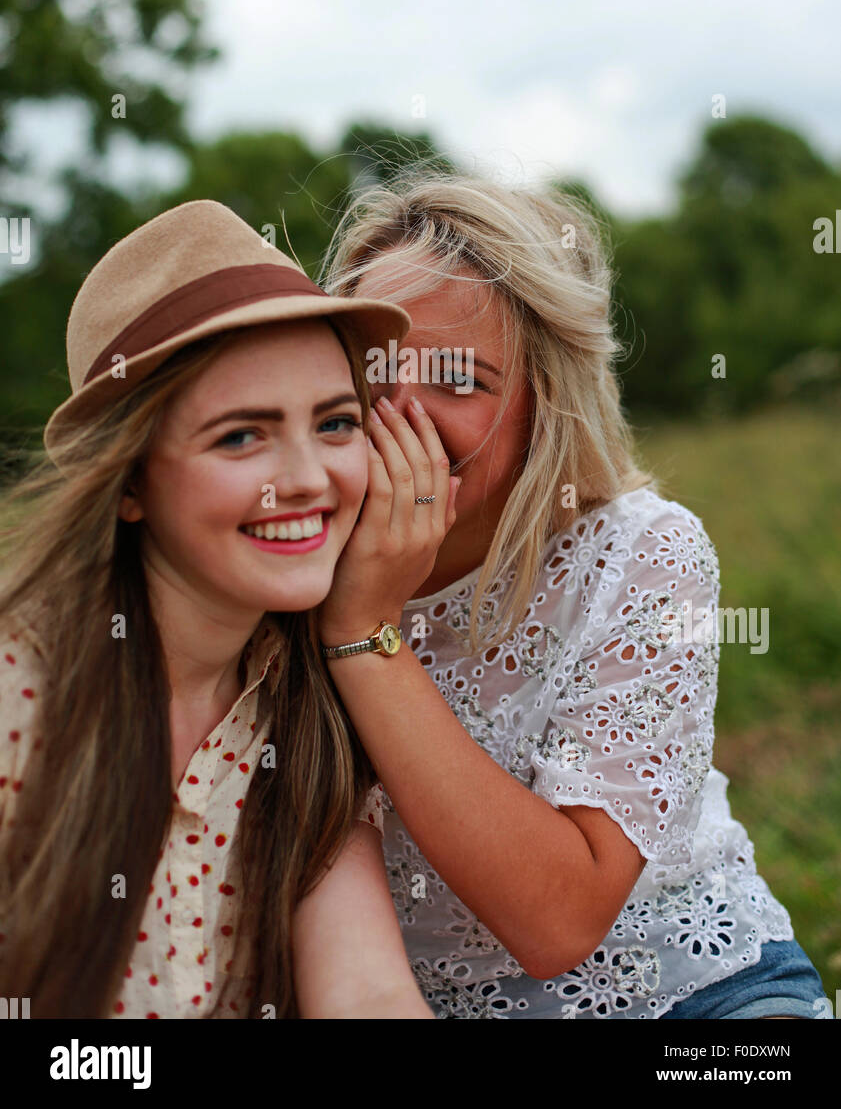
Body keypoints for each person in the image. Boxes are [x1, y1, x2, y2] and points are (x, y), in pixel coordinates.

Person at [312, 166, 829, 1020]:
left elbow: (558, 920)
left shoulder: (645, 555)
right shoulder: (285, 553)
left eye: (460, 381)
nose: (398, 417)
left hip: (689, 1001)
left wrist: (365, 630)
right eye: (373, 372)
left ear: (546, 402)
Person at [0, 198, 450, 1020]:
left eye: (335, 422)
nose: (307, 478)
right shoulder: (21, 693)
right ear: (130, 481)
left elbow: (367, 993)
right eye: (242, 436)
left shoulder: (307, 707)